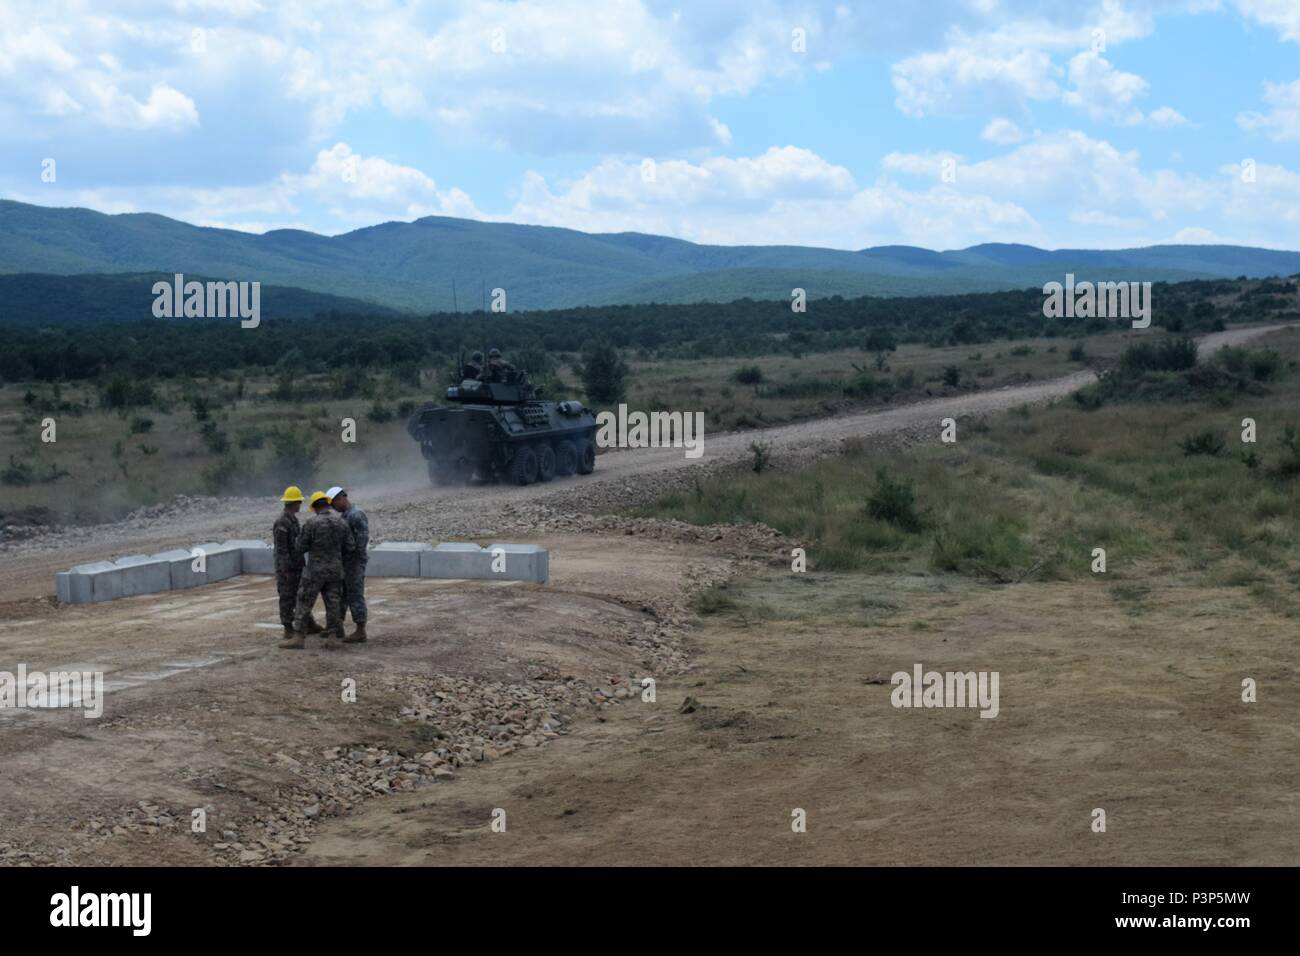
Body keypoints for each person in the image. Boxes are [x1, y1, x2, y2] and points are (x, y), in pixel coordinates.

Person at [280, 491, 355, 649]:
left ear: (314, 507)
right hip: (335, 570)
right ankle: (333, 637)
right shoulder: (341, 523)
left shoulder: (311, 524)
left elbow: (299, 547)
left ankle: (299, 637)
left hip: (315, 571)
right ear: (329, 504)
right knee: (333, 603)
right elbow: (350, 547)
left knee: (304, 602)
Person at [272, 485, 321, 641]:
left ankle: (309, 623)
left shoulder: (292, 520)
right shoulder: (282, 522)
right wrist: (286, 569)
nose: (300, 505)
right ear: (294, 503)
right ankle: (288, 628)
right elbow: (281, 550)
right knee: (287, 597)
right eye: (299, 502)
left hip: (296, 564)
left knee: (301, 595)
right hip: (287, 567)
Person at [327, 486, 369, 643]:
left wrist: (349, 555)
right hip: (346, 562)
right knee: (342, 594)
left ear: (340, 499)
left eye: (333, 504)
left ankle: (360, 630)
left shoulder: (356, 515)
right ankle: (338, 627)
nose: (333, 508)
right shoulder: (346, 515)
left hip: (354, 563)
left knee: (355, 594)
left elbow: (361, 541)